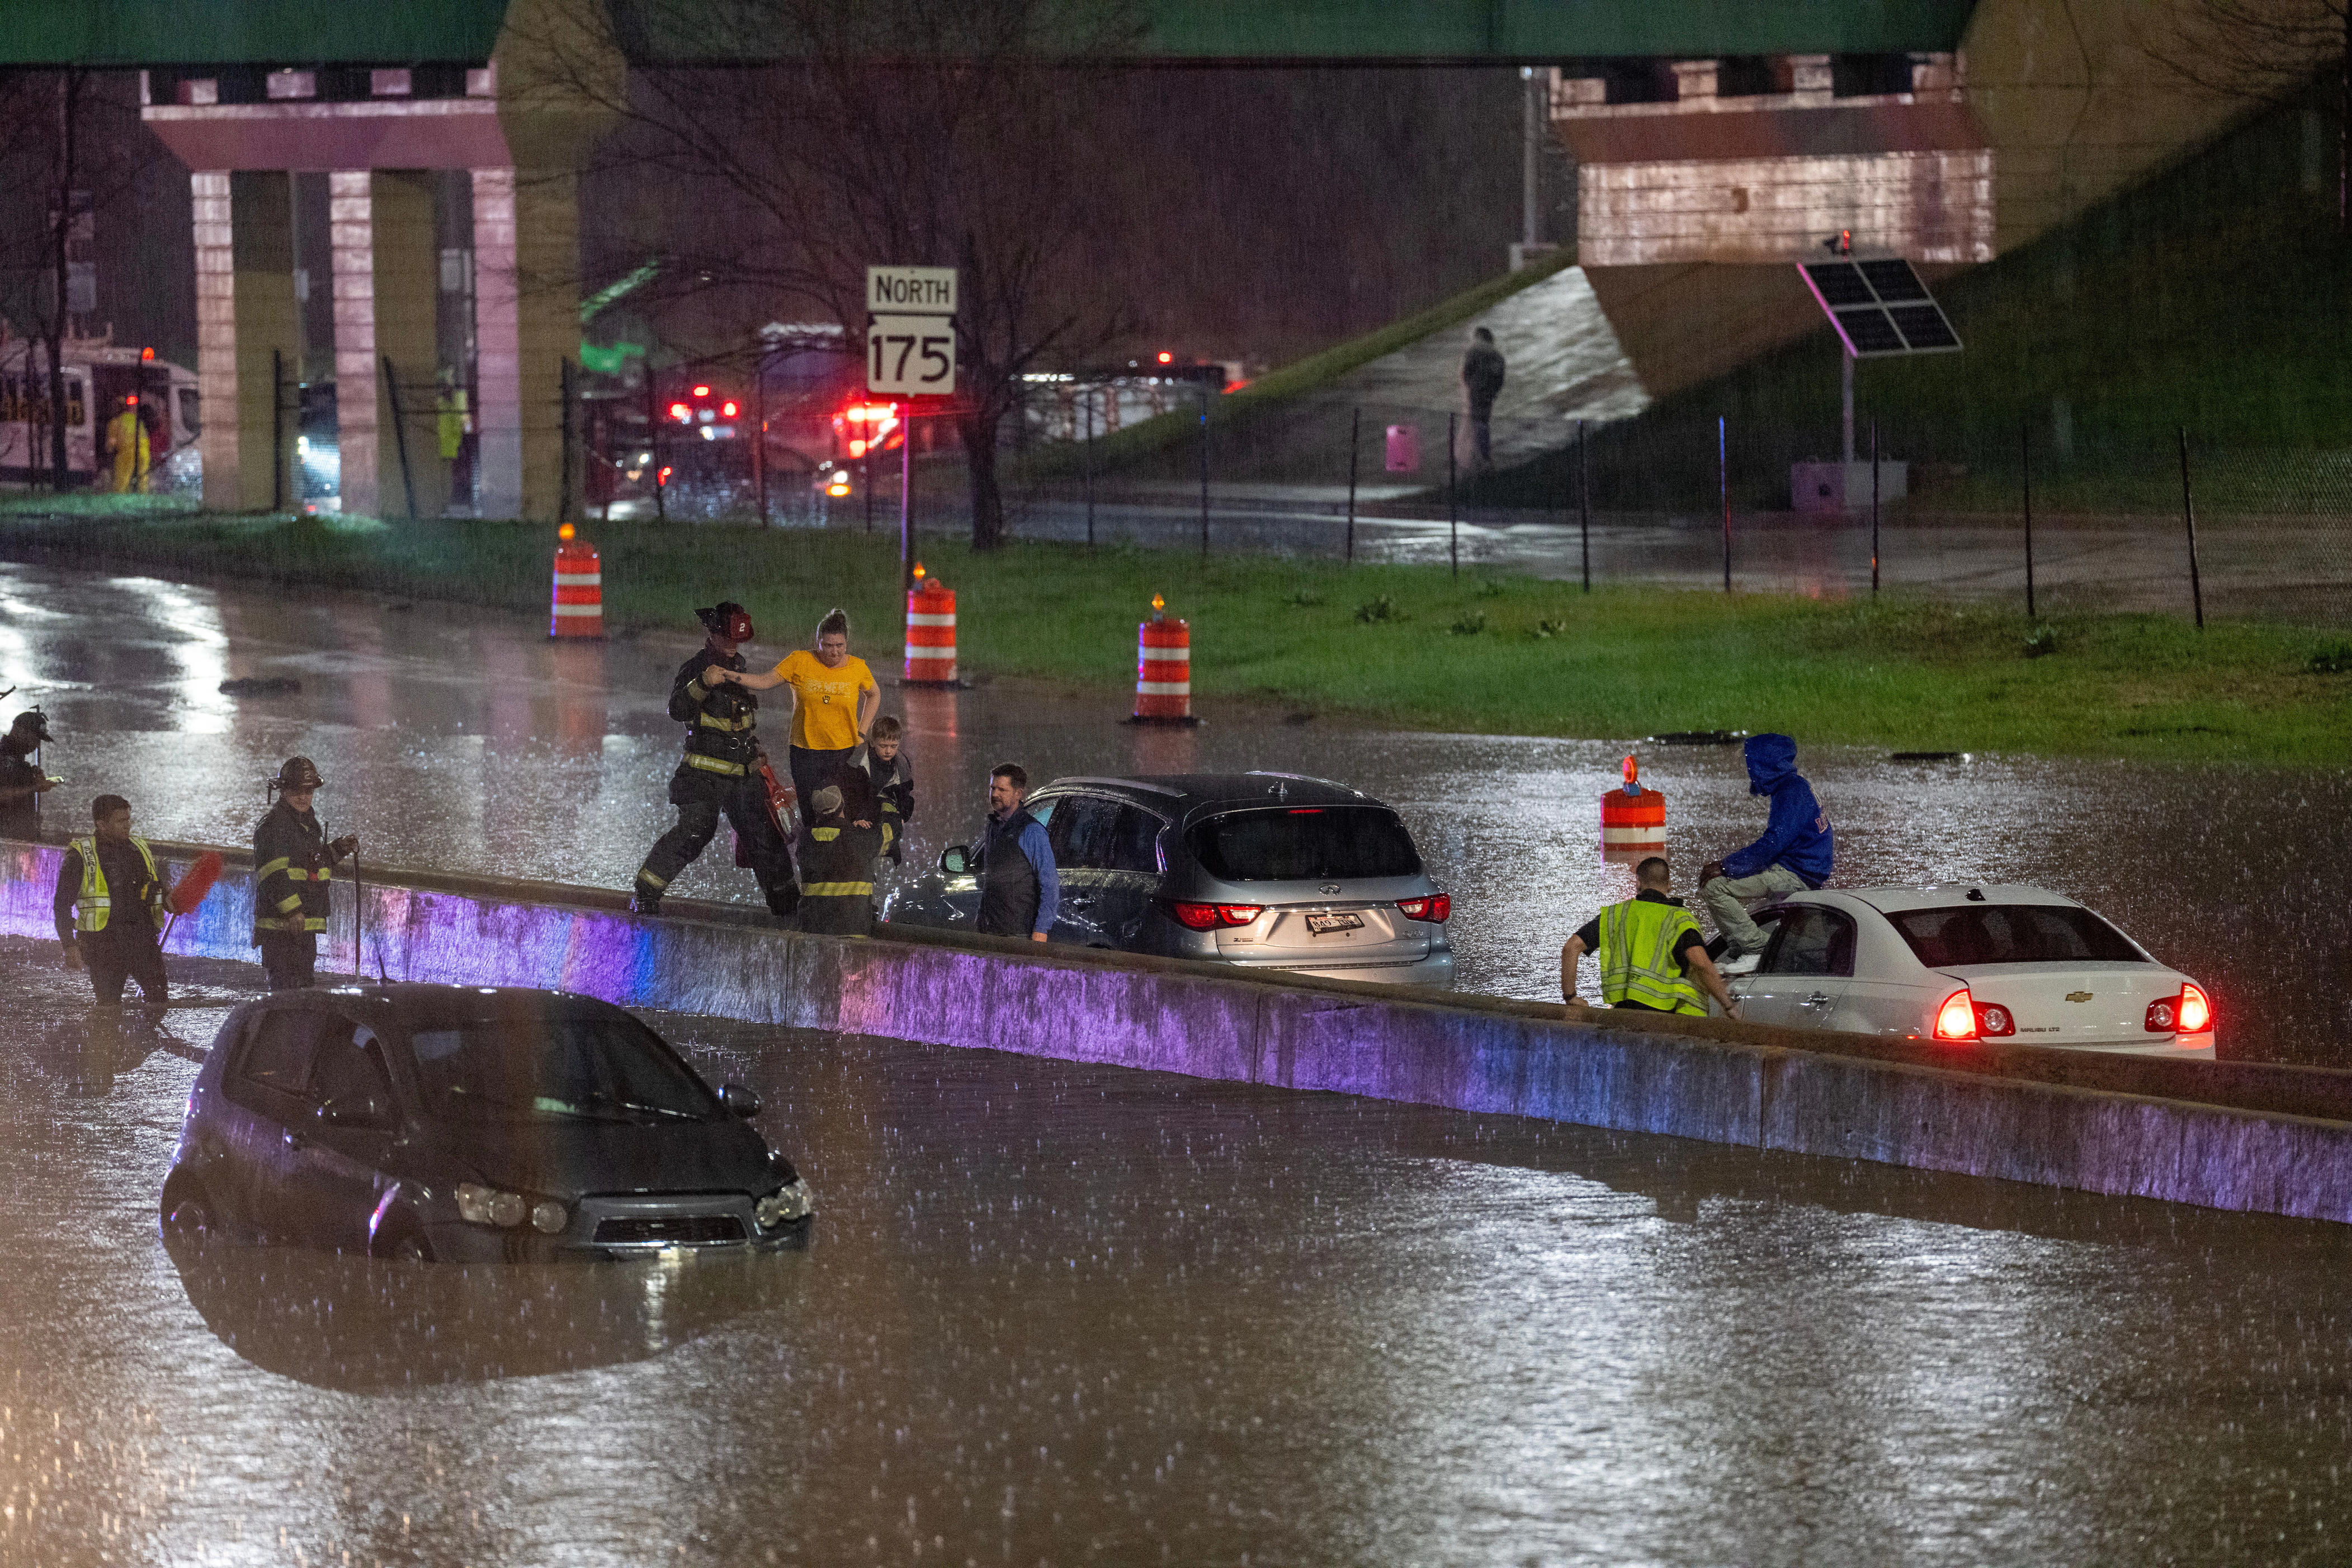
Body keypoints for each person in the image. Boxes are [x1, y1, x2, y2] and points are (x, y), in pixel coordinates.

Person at [631, 602, 800, 919]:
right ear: (712, 634)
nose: (732, 646)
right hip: (703, 775)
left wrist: (758, 758)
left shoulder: (740, 667)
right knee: (696, 830)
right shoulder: (697, 668)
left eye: (737, 641)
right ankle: (646, 893)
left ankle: (788, 909)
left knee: (766, 839)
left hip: (744, 776)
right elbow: (678, 710)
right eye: (726, 639)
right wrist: (703, 683)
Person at [710, 607, 880, 810]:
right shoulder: (800, 661)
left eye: (840, 646)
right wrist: (730, 675)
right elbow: (765, 681)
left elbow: (874, 695)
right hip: (805, 752)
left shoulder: (858, 667)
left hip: (843, 751)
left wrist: (862, 732)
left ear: (847, 643)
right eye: (828, 646)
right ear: (817, 642)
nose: (835, 652)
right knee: (810, 810)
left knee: (840, 811)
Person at [1700, 733, 1835, 962]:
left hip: (1795, 874)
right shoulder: (1796, 787)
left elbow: (1772, 844)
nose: (1750, 770)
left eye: (1752, 763)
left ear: (1766, 764)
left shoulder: (1791, 793)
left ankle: (1755, 949)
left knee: (1714, 887)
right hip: (1803, 870)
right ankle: (1741, 948)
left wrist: (1726, 867)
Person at [1560, 856, 1742, 1019]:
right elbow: (1701, 964)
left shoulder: (1616, 915)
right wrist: (1728, 1006)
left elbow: (1571, 948)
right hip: (1668, 1019)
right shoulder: (1679, 919)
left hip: (1623, 1016)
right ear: (1669, 885)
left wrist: (1571, 997)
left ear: (1638, 883)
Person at [55, 794, 171, 1016]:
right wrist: (69, 946)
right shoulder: (81, 855)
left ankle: (148, 1045)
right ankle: (107, 1045)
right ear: (101, 824)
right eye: (121, 821)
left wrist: (169, 900)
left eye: (129, 819)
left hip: (142, 940)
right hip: (104, 946)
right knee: (108, 1010)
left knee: (159, 1003)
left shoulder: (140, 848)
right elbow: (61, 905)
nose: (128, 825)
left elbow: (153, 887)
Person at [252, 757, 358, 991]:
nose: (303, 797)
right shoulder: (273, 826)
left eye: (308, 791)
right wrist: (292, 911)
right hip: (282, 927)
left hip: (304, 925)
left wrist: (339, 848)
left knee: (304, 987)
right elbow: (272, 874)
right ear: (283, 791)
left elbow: (314, 865)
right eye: (296, 791)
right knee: (284, 991)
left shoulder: (309, 825)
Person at [972, 762, 1057, 943]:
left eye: (1002, 790)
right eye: (992, 788)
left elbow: (1049, 884)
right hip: (989, 930)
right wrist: (981, 918)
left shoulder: (1032, 832)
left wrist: (1041, 930)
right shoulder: (993, 827)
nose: (995, 794)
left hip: (1017, 934)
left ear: (1018, 794)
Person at [796, 784, 886, 937]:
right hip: (853, 929)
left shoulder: (805, 840)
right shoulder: (858, 838)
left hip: (813, 929)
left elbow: (829, 848)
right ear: (842, 804)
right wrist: (888, 807)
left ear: (816, 812)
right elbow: (888, 835)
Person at [863, 713, 915, 864]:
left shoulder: (901, 764)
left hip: (886, 809)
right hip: (865, 808)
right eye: (883, 746)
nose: (888, 751)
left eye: (894, 747)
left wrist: (903, 816)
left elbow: (905, 793)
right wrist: (858, 817)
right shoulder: (862, 761)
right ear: (873, 743)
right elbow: (855, 792)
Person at [0, 710, 58, 839]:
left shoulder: (20, 762)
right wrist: (34, 788)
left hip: (17, 839)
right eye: (35, 738)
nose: (37, 745)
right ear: (20, 731)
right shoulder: (3, 758)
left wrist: (32, 781)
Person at [1460, 326, 1506, 468]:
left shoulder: (1473, 353)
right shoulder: (1498, 357)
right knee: (1483, 422)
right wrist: (1493, 391)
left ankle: (1477, 456)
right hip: (1489, 395)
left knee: (1476, 422)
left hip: (1476, 394)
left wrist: (1471, 387)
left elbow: (1466, 373)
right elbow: (1500, 379)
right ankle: (1482, 454)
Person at [105, 395, 150, 494]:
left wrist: (108, 451)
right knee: (143, 481)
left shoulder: (115, 422)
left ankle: (119, 504)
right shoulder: (138, 421)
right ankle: (144, 502)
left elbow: (111, 444)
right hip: (144, 453)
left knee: (121, 483)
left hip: (126, 454)